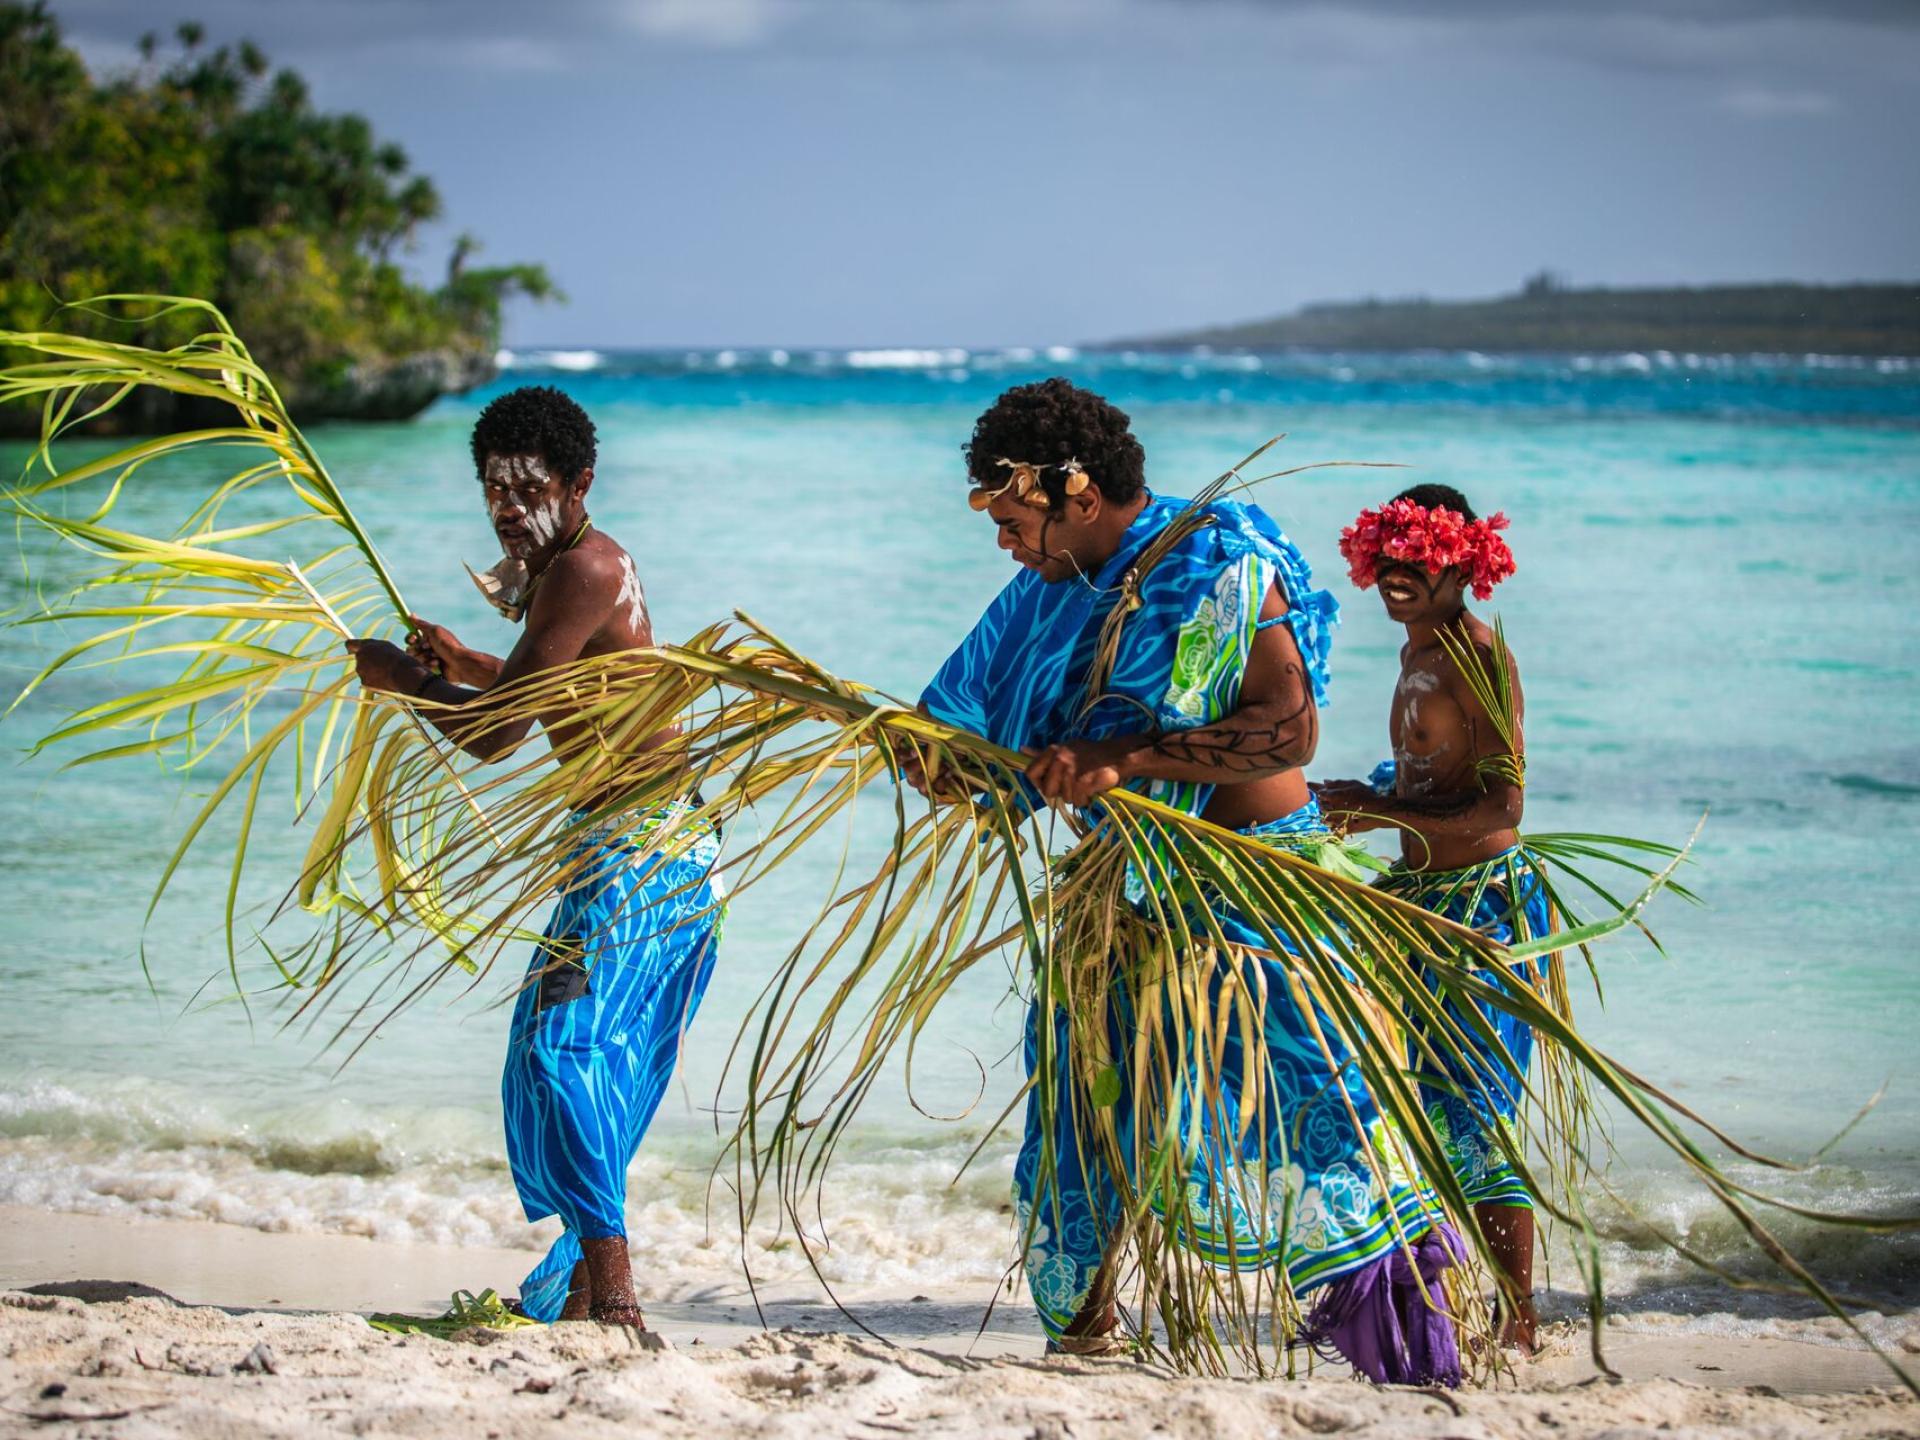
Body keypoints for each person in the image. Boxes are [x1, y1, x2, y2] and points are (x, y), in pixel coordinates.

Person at [911, 378, 1463, 1384]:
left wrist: (1127, 760)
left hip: (1254, 889)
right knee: (1078, 1111)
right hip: (1117, 893)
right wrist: (922, 757)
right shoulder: (1038, 600)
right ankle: (1081, 1337)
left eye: (1013, 519)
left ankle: (1408, 1357)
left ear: (1078, 495)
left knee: (1319, 1117)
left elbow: (1285, 728)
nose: (1004, 543)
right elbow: (968, 740)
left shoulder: (1213, 554)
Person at [347, 385, 721, 1328]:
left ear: (579, 482)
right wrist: (469, 661)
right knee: (543, 1060)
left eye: (526, 488)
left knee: (566, 1054)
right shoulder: (568, 567)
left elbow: (495, 738)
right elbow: (548, 684)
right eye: (492, 492)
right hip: (619, 850)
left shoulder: (581, 568)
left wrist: (404, 680)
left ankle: (617, 1298)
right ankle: (592, 1284)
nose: (507, 509)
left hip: (651, 851)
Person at [1311, 482, 1547, 1351]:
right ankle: (1426, 1295)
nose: (1403, 572)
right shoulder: (1420, 652)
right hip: (1419, 905)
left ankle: (1518, 1321)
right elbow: (1434, 778)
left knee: (1476, 1114)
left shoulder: (1475, 656)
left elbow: (1501, 809)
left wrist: (1379, 817)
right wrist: (1367, 798)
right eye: (1391, 555)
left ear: (1465, 563)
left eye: (1426, 557)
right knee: (1407, 1103)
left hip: (1477, 914)